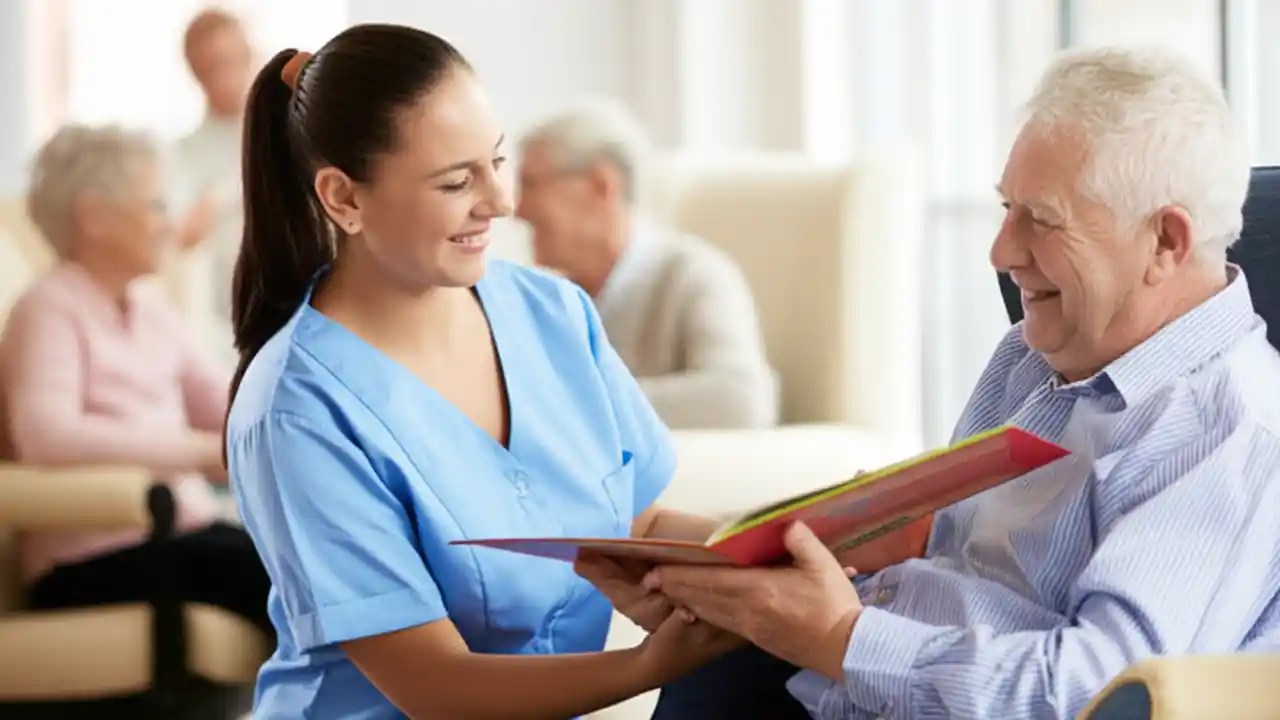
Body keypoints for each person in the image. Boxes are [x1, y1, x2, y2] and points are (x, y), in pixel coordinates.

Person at [586, 47, 1280, 719]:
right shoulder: (1032, 358)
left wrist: (839, 637)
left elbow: (1101, 698)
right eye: (1006, 208)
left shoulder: (1227, 433)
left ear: (1166, 241)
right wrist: (749, 575)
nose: (1001, 251)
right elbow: (951, 565)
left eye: (1040, 219)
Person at [223, 24, 741, 719]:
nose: (502, 202)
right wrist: (649, 665)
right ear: (344, 198)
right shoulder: (296, 410)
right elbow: (436, 685)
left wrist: (787, 549)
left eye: (496, 162)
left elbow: (638, 525)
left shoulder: (552, 313)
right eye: (456, 181)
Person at [0, 124, 269, 634]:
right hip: (89, 559)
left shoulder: (151, 307)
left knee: (324, 560)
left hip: (178, 534)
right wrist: (198, 451)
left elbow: (230, 407)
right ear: (94, 217)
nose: (171, 225)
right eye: (157, 206)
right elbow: (46, 435)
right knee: (292, 576)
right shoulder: (47, 307)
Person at [516, 100, 778, 429]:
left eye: (530, 184)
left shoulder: (694, 274)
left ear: (602, 185)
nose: (517, 209)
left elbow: (739, 402)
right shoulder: (547, 299)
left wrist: (575, 405)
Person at [168, 7, 254, 363]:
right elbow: (179, 237)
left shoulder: (293, 135)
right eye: (211, 67)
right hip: (225, 322)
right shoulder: (184, 154)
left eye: (231, 61)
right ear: (194, 72)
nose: (224, 77)